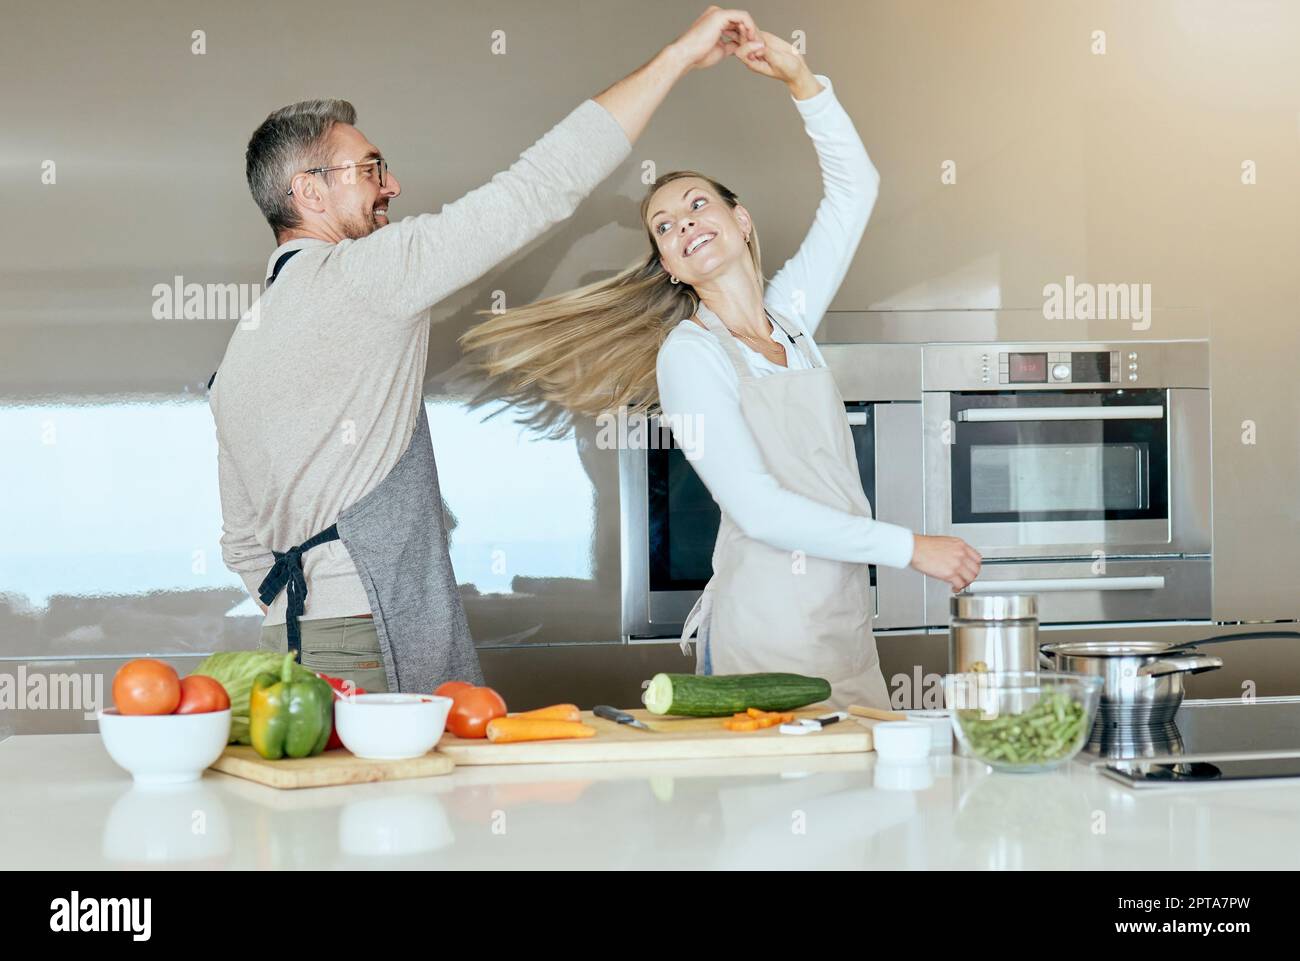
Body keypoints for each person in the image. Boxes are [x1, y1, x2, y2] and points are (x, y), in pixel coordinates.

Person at [209, 7, 763, 694]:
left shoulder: (238, 354)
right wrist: (678, 56)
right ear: (309, 192)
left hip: (288, 650)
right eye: (371, 169)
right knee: (404, 800)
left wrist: (317, 613)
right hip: (372, 632)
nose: (393, 186)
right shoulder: (365, 276)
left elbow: (241, 546)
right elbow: (535, 189)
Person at [460, 31, 981, 709]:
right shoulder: (690, 355)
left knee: (863, 806)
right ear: (670, 266)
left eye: (697, 205)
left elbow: (857, 190)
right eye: (665, 226)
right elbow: (759, 508)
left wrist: (800, 78)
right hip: (761, 632)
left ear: (741, 222)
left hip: (841, 622)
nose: (683, 224)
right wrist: (910, 546)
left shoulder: (791, 319)